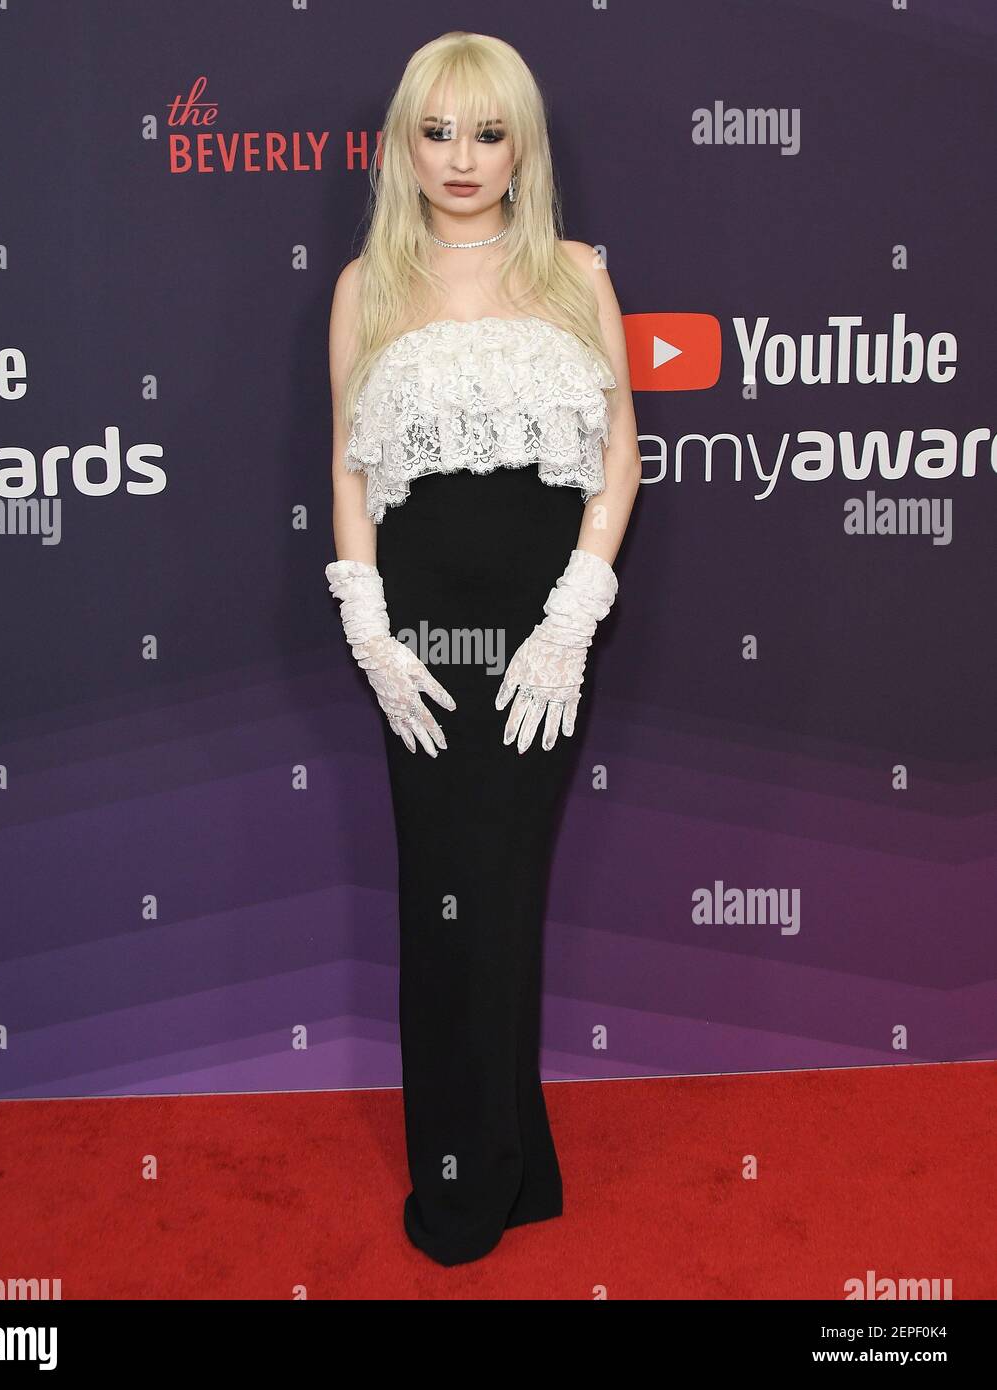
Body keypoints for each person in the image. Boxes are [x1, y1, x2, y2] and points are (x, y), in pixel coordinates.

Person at [325, 31, 641, 1266]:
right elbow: (352, 469)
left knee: (503, 890)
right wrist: (366, 622)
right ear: (405, 143)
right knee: (448, 898)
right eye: (437, 130)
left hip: (544, 621)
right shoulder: (369, 283)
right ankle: (467, 1183)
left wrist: (575, 609)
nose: (462, 158)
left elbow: (615, 457)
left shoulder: (572, 272)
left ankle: (510, 1163)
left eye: (488, 131)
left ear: (523, 144)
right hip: (421, 634)